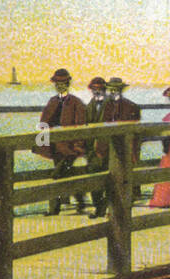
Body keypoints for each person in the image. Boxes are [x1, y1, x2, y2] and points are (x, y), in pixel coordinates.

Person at [34, 68, 89, 215]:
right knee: (66, 175)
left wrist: (77, 147)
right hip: (54, 146)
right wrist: (42, 142)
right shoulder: (52, 101)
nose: (60, 85)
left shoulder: (76, 102)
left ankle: (54, 209)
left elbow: (81, 126)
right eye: (57, 83)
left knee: (57, 175)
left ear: (68, 83)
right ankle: (80, 201)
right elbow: (44, 122)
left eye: (63, 82)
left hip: (70, 148)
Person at [91, 76, 142, 217]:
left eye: (116, 89)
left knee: (120, 179)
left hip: (123, 148)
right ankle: (101, 208)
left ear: (121, 90)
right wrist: (99, 146)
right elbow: (102, 126)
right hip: (107, 146)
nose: (113, 92)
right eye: (111, 89)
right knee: (103, 177)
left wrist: (133, 152)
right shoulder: (106, 106)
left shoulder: (131, 106)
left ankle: (114, 210)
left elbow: (134, 131)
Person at [82, 77, 108, 216]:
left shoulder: (111, 105)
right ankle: (98, 207)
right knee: (93, 179)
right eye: (94, 89)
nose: (97, 92)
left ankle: (104, 207)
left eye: (99, 89)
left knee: (109, 180)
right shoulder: (89, 105)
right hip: (92, 148)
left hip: (107, 148)